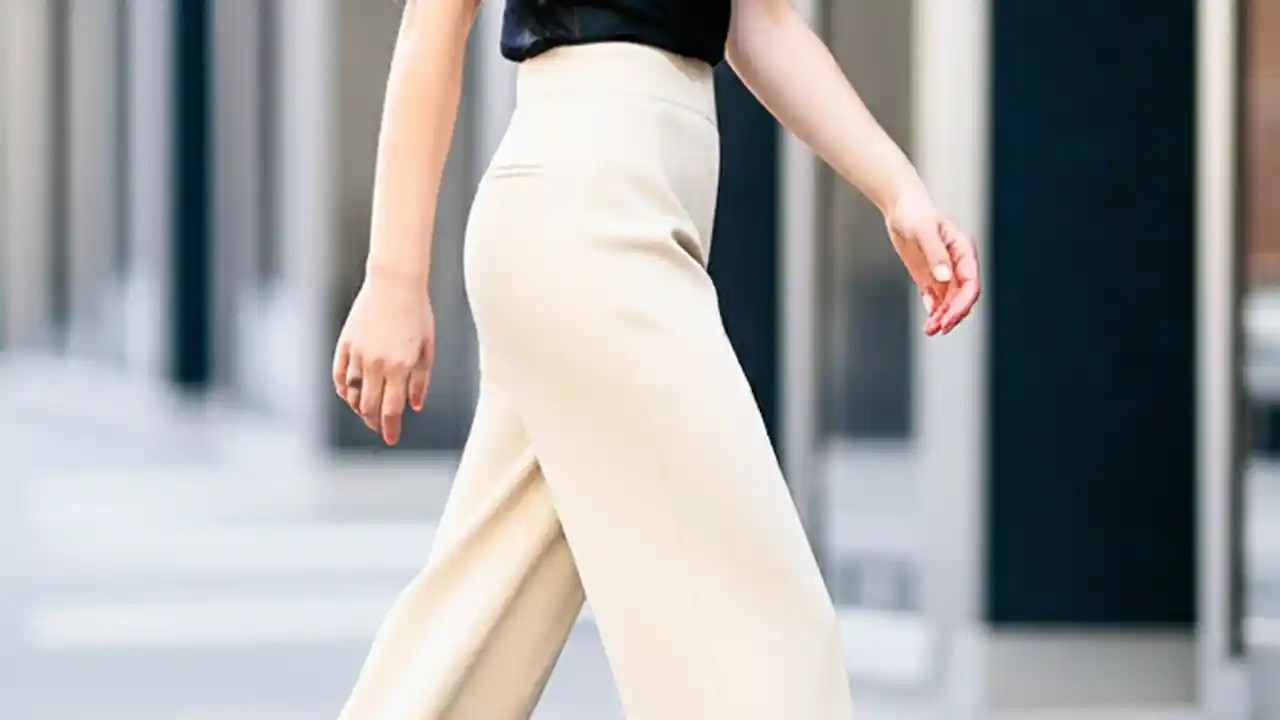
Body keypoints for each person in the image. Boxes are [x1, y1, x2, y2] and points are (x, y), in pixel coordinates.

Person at [331, 0, 980, 717]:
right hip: (591, 212)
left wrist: (899, 191)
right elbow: (433, 21)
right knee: (766, 642)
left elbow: (759, 21)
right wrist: (393, 277)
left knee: (470, 638)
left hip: (618, 215)